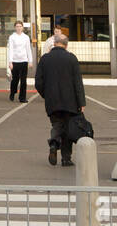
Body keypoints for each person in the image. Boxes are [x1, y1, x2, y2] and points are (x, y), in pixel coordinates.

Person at [33, 31, 86, 166]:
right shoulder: (72, 58)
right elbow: (78, 83)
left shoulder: (45, 59)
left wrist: (46, 94)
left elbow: (38, 82)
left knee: (57, 124)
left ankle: (54, 144)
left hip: (52, 101)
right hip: (71, 101)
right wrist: (81, 102)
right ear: (66, 46)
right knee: (68, 128)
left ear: (54, 43)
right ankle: (66, 158)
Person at [7, 20, 34, 102]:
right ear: (15, 27)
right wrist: (10, 62)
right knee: (15, 79)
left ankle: (22, 98)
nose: (19, 28)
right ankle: (12, 92)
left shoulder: (26, 37)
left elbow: (28, 49)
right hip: (15, 61)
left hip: (24, 60)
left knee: (23, 80)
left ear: (22, 27)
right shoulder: (12, 37)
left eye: (20, 26)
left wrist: (30, 61)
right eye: (17, 26)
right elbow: (10, 50)